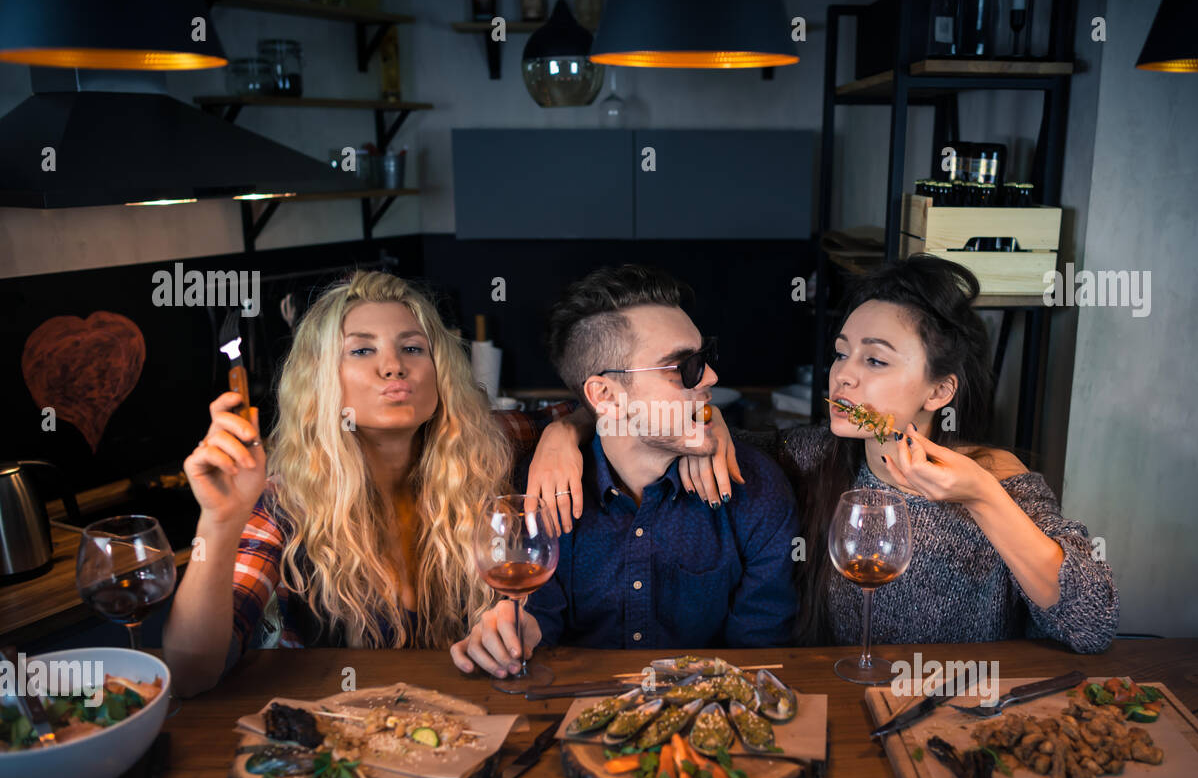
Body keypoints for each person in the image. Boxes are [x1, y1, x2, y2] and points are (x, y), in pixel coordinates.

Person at [524, 255, 1119, 654]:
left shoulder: (1000, 479)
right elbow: (644, 433)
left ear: (939, 391)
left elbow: (1092, 624)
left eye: (875, 360)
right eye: (841, 353)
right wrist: (567, 429)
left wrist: (983, 498)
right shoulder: (808, 456)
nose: (843, 379)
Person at [162, 270, 571, 696]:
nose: (393, 366)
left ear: (441, 372)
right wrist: (219, 521)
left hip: (469, 726)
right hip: (336, 738)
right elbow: (191, 674)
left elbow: (595, 409)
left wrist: (564, 434)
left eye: (413, 348)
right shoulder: (285, 502)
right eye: (361, 350)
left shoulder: (485, 445)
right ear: (320, 382)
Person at [450, 265, 800, 679]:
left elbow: (761, 660)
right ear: (606, 396)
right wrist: (515, 634)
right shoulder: (544, 491)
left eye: (704, 359)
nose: (710, 378)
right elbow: (541, 625)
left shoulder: (755, 488)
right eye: (680, 367)